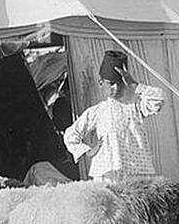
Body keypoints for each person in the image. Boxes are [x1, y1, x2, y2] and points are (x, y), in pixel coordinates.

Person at [62, 50, 166, 183]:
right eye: (111, 83)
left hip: (136, 173)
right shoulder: (97, 111)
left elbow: (159, 98)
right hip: (106, 174)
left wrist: (134, 85)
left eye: (119, 83)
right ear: (101, 83)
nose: (115, 87)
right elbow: (71, 135)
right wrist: (88, 151)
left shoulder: (135, 107)